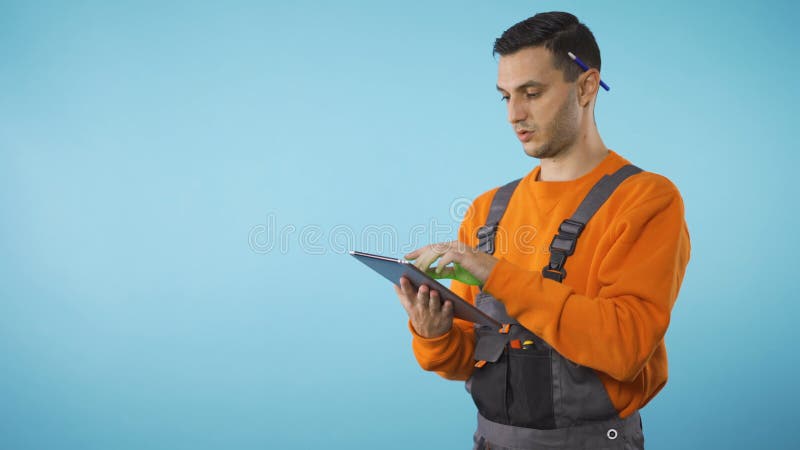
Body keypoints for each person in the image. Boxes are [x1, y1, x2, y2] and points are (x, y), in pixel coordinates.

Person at [393, 11, 691, 450]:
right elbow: (467, 359)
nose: (515, 114)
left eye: (531, 93)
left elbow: (625, 349)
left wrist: (496, 273)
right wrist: (433, 333)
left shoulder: (646, 200)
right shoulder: (487, 211)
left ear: (587, 86)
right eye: (506, 97)